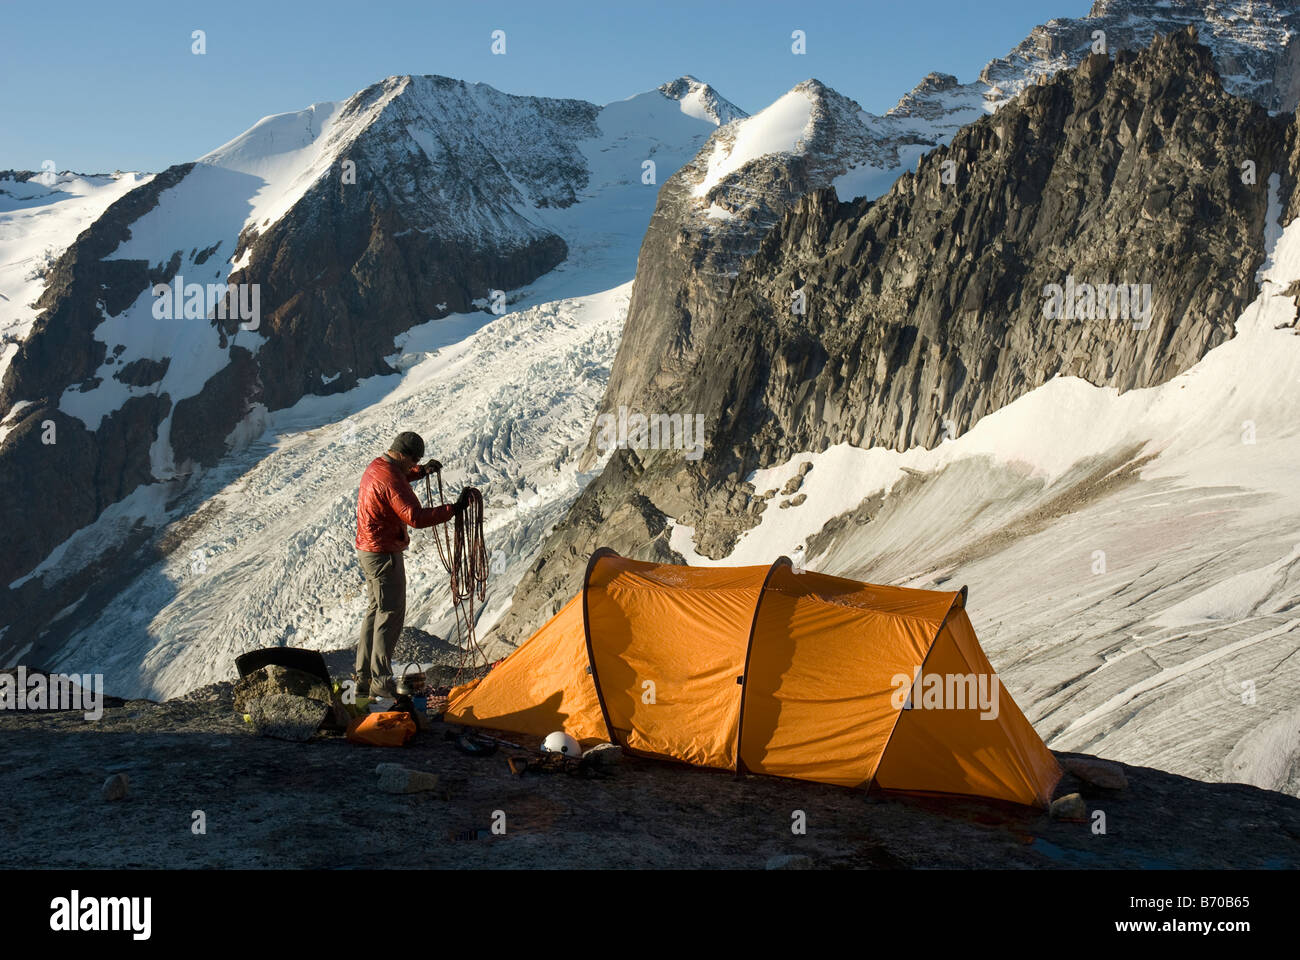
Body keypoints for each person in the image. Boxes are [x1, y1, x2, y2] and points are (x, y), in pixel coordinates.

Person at [354, 431, 471, 698]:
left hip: (369, 550)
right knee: (390, 614)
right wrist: (454, 509)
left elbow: (400, 476)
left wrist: (422, 471)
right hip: (383, 553)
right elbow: (414, 517)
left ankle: (363, 678)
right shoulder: (392, 477)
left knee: (375, 611)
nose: (412, 465)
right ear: (404, 455)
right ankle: (380, 681)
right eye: (413, 460)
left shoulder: (379, 466)